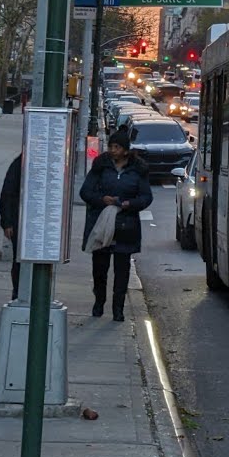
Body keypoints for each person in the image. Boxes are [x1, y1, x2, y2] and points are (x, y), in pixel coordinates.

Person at [80, 132, 152, 322]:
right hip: (102, 223)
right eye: (111, 146)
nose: (113, 150)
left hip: (125, 226)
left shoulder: (138, 170)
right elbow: (85, 191)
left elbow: (146, 197)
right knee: (100, 268)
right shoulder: (101, 166)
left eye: (117, 147)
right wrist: (102, 200)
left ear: (126, 151)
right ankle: (99, 301)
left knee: (122, 270)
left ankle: (118, 308)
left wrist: (128, 204)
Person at [0, 154, 22, 300]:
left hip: (21, 220)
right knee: (18, 260)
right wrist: (7, 222)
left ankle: (19, 292)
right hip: (19, 220)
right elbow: (7, 194)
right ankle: (17, 292)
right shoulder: (19, 164)